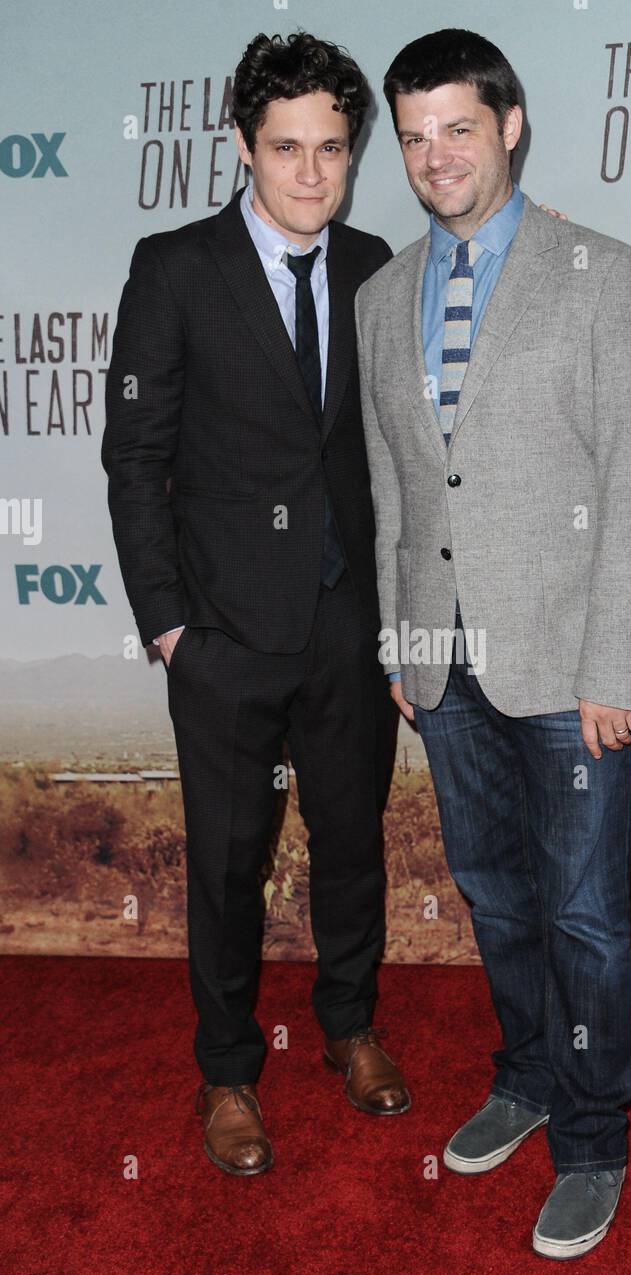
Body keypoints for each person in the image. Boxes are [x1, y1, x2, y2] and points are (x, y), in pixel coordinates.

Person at [355, 28, 631, 1257]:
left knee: (588, 915)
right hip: (443, 664)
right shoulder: (382, 295)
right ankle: (532, 1073)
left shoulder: (604, 273)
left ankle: (593, 1135)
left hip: (568, 671)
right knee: (495, 895)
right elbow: (396, 486)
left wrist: (616, 668)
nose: (436, 155)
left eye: (458, 126)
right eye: (415, 133)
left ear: (511, 124)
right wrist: (401, 643)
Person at [102, 30, 411, 1178]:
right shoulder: (175, 267)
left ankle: (348, 1026)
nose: (311, 173)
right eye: (287, 147)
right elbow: (135, 455)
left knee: (351, 844)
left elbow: (391, 452)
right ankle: (228, 1070)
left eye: (332, 147)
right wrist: (172, 628)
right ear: (241, 144)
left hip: (346, 620)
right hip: (224, 633)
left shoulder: (376, 263)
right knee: (229, 864)